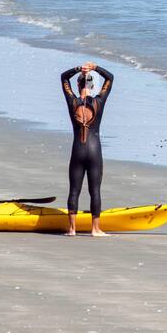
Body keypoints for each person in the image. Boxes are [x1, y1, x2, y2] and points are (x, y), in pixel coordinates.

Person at [60, 62, 115, 236]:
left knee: (74, 190)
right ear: (92, 86)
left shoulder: (73, 101)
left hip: (77, 150)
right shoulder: (99, 101)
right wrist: (95, 67)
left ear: (78, 85)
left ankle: (72, 229)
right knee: (95, 191)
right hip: (94, 151)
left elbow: (64, 77)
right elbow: (110, 78)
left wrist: (78, 69)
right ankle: (95, 229)